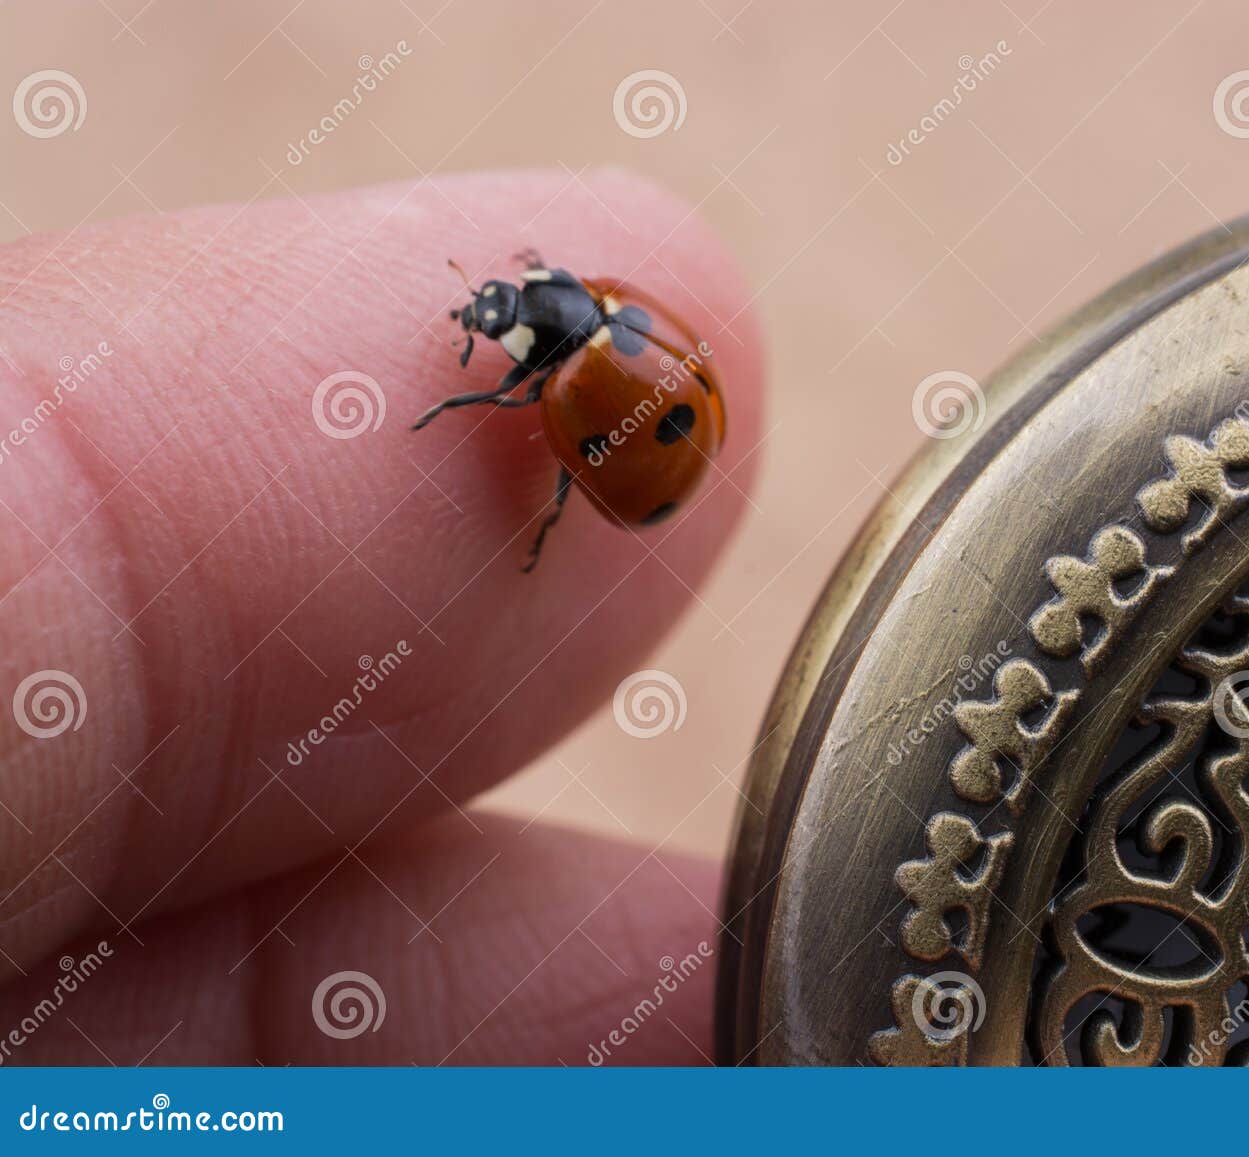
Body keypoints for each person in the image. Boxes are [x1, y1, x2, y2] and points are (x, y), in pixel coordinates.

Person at [0, 169, 765, 1064]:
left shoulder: (566, 382)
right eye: (503, 303)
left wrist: (454, 401)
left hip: (649, 458)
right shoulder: (601, 317)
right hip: (661, 423)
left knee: (536, 429)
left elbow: (524, 395)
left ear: (536, 319)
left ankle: (548, 513)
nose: (491, 316)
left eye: (505, 313)